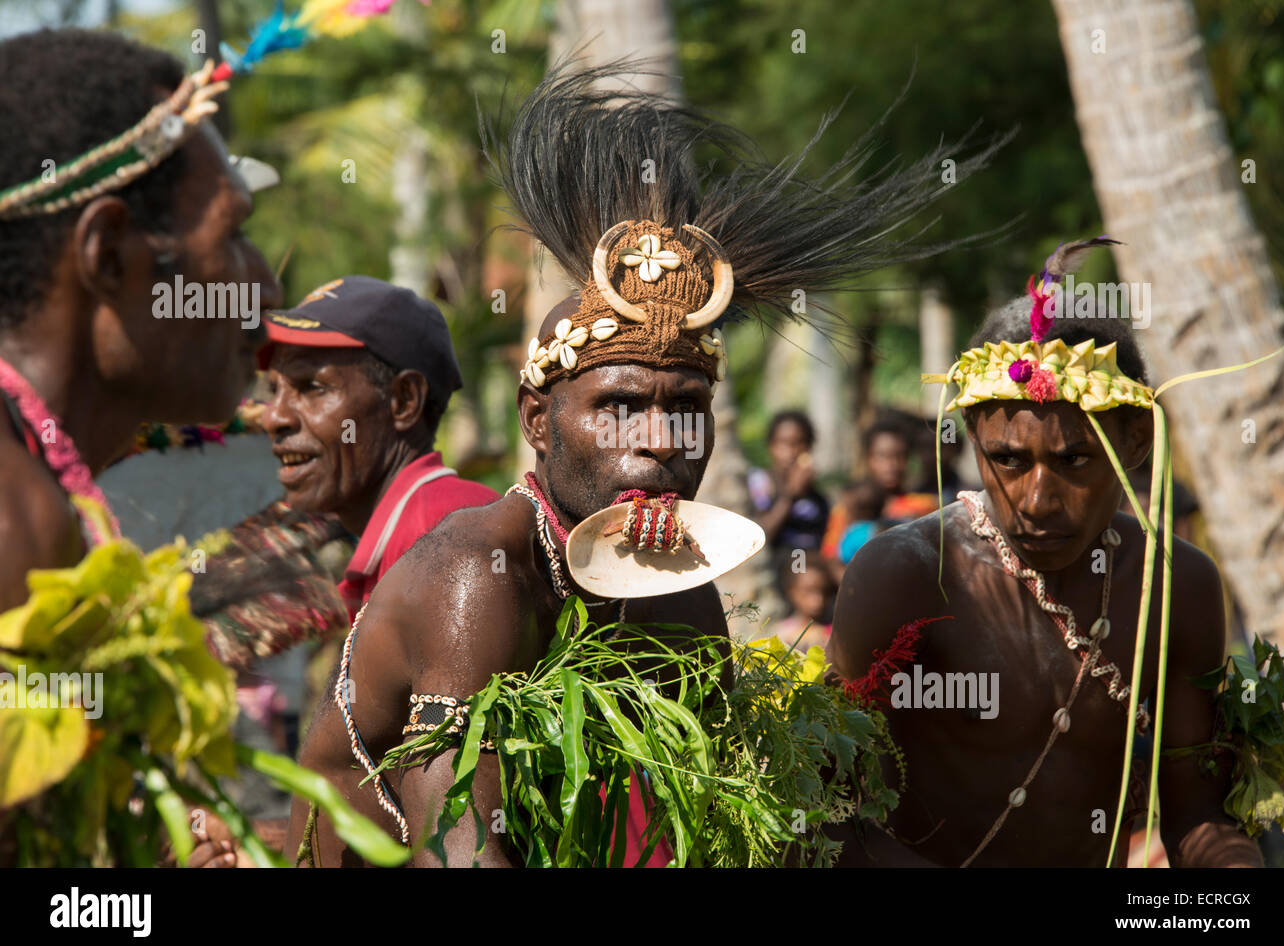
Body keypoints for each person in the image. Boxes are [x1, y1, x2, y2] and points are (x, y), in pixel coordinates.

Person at [287, 62, 991, 866]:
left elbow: (745, 816)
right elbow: (465, 850)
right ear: (538, 421)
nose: (660, 440)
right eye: (619, 406)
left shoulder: (678, 587)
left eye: (686, 408)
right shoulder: (479, 573)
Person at [828, 240, 1266, 867]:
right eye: (1007, 459)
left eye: (1074, 461)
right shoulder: (907, 574)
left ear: (1135, 443)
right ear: (974, 439)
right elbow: (817, 819)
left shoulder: (1175, 584)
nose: (1037, 501)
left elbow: (1198, 809)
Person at [0, 28, 285, 866]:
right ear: (108, 252)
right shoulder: (14, 521)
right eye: (230, 236)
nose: (264, 287)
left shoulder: (38, 486)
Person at [259, 275, 499, 620]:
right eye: (273, 390)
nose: (274, 417)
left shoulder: (451, 538)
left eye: (311, 387)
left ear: (403, 401)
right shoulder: (411, 539)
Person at [749, 410, 830, 555]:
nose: (792, 452)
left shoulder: (814, 493)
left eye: (799, 443)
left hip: (808, 561)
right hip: (778, 564)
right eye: (783, 443)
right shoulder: (760, 482)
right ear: (771, 446)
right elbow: (761, 536)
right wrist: (790, 495)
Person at [774, 551, 837, 652]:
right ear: (791, 591)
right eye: (808, 591)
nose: (818, 599)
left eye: (823, 591)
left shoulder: (831, 633)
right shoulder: (782, 633)